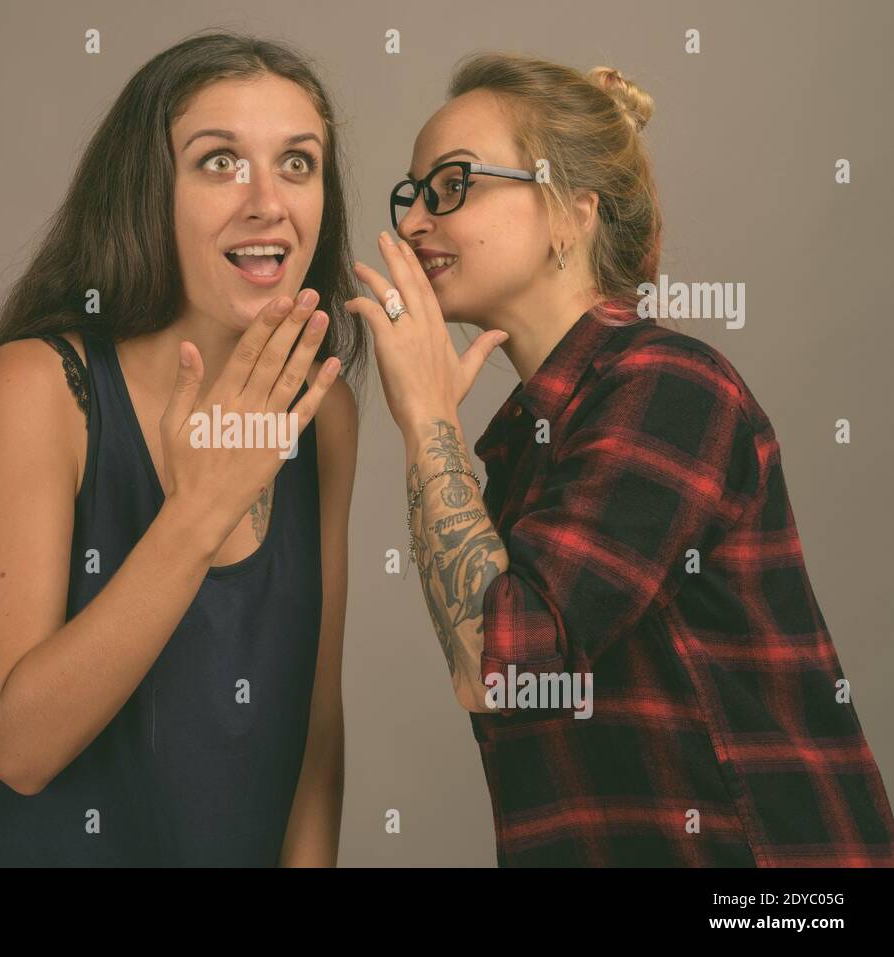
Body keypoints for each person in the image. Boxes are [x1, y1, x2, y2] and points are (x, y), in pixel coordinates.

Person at [350, 51, 894, 866]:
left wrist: (428, 418)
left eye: (453, 184)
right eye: (413, 195)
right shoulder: (526, 446)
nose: (415, 222)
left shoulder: (666, 384)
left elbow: (502, 664)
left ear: (571, 211)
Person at [0, 32, 364, 866]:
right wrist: (200, 510)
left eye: (298, 163)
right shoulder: (38, 387)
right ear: (147, 192)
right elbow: (22, 747)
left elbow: (313, 725)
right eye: (219, 162)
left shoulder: (323, 418)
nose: (268, 201)